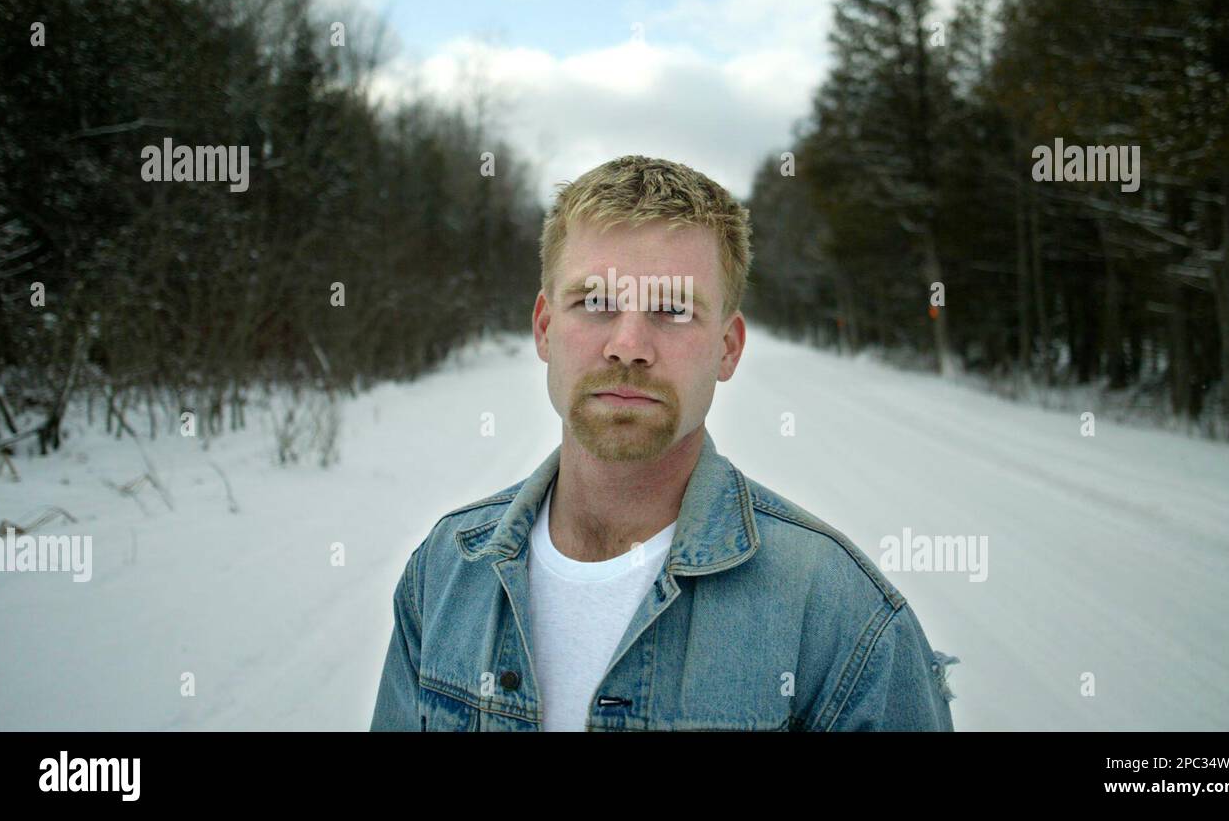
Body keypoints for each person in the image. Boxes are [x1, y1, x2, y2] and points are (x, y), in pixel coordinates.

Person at [370, 154, 957, 731]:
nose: (629, 345)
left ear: (727, 348)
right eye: (595, 302)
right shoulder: (446, 572)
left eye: (673, 310)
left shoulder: (838, 614)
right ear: (545, 328)